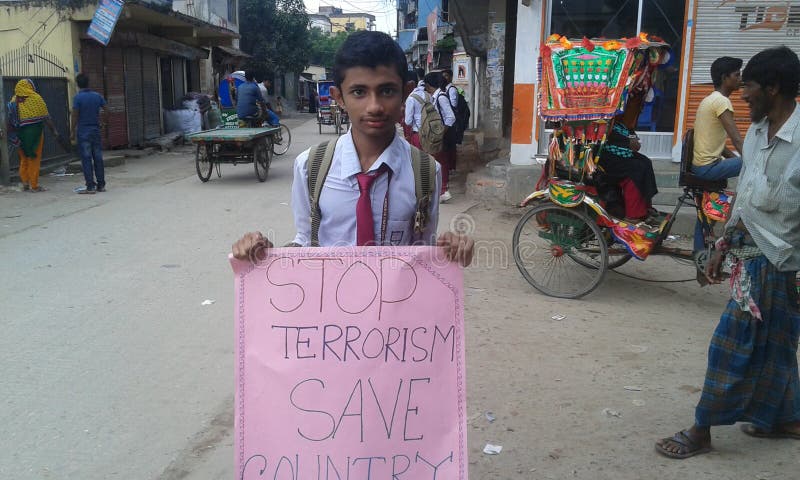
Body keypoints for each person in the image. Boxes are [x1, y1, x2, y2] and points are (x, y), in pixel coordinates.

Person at [655, 46, 800, 460]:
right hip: (751, 255)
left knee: (730, 344)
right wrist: (722, 244)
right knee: (777, 345)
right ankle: (788, 418)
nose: (743, 94)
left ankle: (701, 428)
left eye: (750, 85)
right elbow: (746, 197)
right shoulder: (755, 132)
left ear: (773, 88)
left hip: (784, 263)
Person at [232, 30, 473, 266]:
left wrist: (450, 252)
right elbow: (305, 241)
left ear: (406, 92)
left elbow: (422, 250)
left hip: (395, 303)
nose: (374, 106)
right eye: (359, 92)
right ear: (339, 97)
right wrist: (267, 256)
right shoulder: (311, 166)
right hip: (328, 302)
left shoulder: (426, 172)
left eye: (387, 91)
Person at [691, 56, 745, 256]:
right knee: (753, 164)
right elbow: (738, 140)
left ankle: (699, 254)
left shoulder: (710, 99)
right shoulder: (721, 102)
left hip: (704, 165)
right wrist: (754, 162)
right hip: (708, 168)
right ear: (725, 78)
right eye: (737, 75)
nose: (740, 79)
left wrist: (735, 159)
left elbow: (720, 144)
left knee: (703, 214)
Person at [597, 103, 659, 225]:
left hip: (617, 155)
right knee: (636, 169)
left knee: (645, 162)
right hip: (603, 159)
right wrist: (630, 141)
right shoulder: (606, 124)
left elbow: (636, 145)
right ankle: (633, 214)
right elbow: (631, 143)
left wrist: (631, 139)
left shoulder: (620, 125)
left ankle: (645, 207)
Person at [8, 79, 61, 192]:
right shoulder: (36, 98)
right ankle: (34, 185)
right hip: (35, 134)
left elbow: (11, 119)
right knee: (34, 158)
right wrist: (54, 131)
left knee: (23, 159)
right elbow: (46, 117)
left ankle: (25, 182)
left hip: (20, 135)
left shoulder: (14, 100)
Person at [71, 73, 107, 194]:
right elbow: (107, 109)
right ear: (88, 83)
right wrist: (102, 122)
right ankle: (101, 185)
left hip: (83, 132)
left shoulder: (77, 98)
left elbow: (75, 115)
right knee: (98, 158)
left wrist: (72, 131)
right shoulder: (97, 96)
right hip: (95, 130)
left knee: (86, 159)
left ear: (78, 84)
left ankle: (90, 186)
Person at [429, 72, 456, 203]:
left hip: (443, 134)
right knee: (438, 161)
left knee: (441, 162)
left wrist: (441, 133)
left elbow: (450, 117)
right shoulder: (436, 96)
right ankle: (440, 189)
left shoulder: (441, 97)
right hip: (440, 133)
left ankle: (444, 190)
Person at [404, 72, 427, 149]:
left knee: (419, 158)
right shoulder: (427, 94)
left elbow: (408, 121)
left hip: (418, 133)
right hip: (430, 131)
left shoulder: (411, 98)